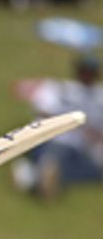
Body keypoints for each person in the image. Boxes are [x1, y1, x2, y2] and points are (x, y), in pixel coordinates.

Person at [13, 53, 103, 198]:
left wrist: (87, 131)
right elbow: (42, 112)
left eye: (89, 72)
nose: (86, 75)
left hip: (79, 147)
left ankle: (32, 175)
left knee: (94, 170)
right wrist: (69, 123)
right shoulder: (62, 89)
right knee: (54, 155)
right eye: (84, 70)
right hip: (54, 139)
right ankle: (43, 175)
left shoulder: (99, 97)